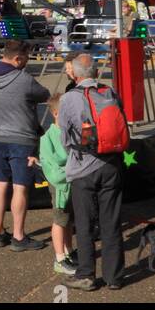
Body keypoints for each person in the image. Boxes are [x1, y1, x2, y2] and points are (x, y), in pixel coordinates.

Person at [59, 52, 126, 290]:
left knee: (85, 223)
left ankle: (86, 274)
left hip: (84, 167)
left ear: (75, 74)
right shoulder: (110, 93)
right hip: (112, 165)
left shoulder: (69, 98)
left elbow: (65, 138)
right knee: (111, 221)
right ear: (96, 73)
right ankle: (114, 277)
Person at [0, 39, 50, 250]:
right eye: (26, 58)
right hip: (22, 139)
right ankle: (19, 237)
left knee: (0, 183)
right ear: (17, 58)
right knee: (20, 188)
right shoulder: (24, 80)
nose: (27, 61)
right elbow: (45, 95)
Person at [39, 94, 77, 275]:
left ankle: (69, 251)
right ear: (55, 114)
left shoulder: (70, 133)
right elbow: (52, 171)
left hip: (71, 183)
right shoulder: (47, 139)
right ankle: (60, 258)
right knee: (60, 220)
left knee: (68, 220)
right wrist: (73, 171)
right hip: (60, 187)